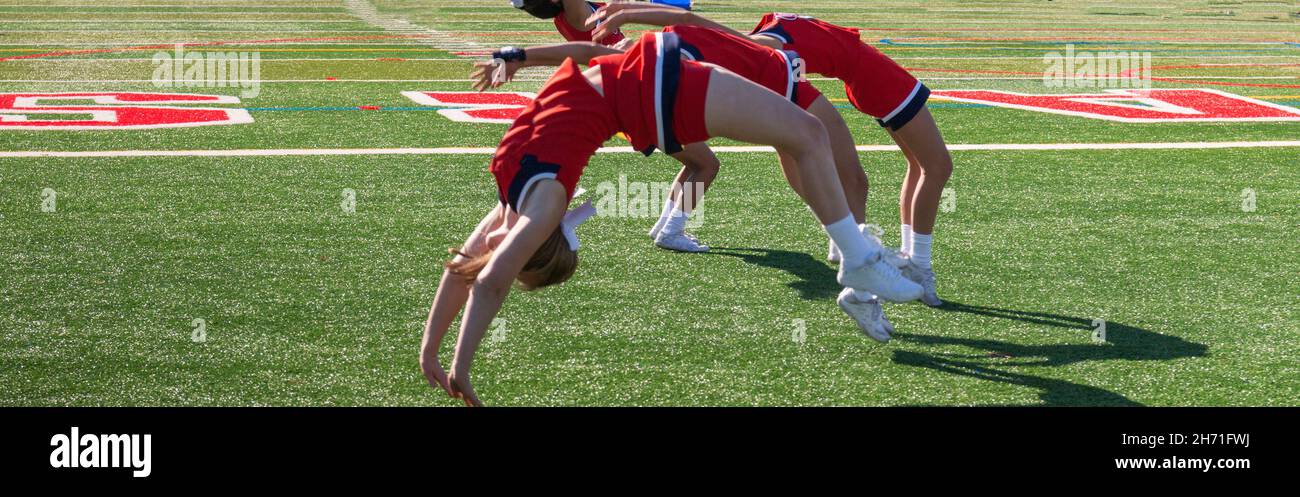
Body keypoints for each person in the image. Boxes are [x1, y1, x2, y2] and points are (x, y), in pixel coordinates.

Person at [421, 32, 921, 406]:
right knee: (808, 134)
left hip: (646, 80)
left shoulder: (521, 204)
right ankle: (857, 259)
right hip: (654, 87)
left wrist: (442, 356)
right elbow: (482, 274)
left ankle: (856, 258)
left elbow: (478, 275)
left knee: (805, 135)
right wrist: (448, 359)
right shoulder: (527, 191)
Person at [590, 5, 951, 308]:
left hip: (811, 73)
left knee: (873, 169)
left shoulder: (728, 47)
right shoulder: (754, 60)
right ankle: (885, 262)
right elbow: (699, 27)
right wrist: (629, 13)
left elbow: (695, 23)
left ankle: (858, 250)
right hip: (836, 77)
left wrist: (628, 11)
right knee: (918, 169)